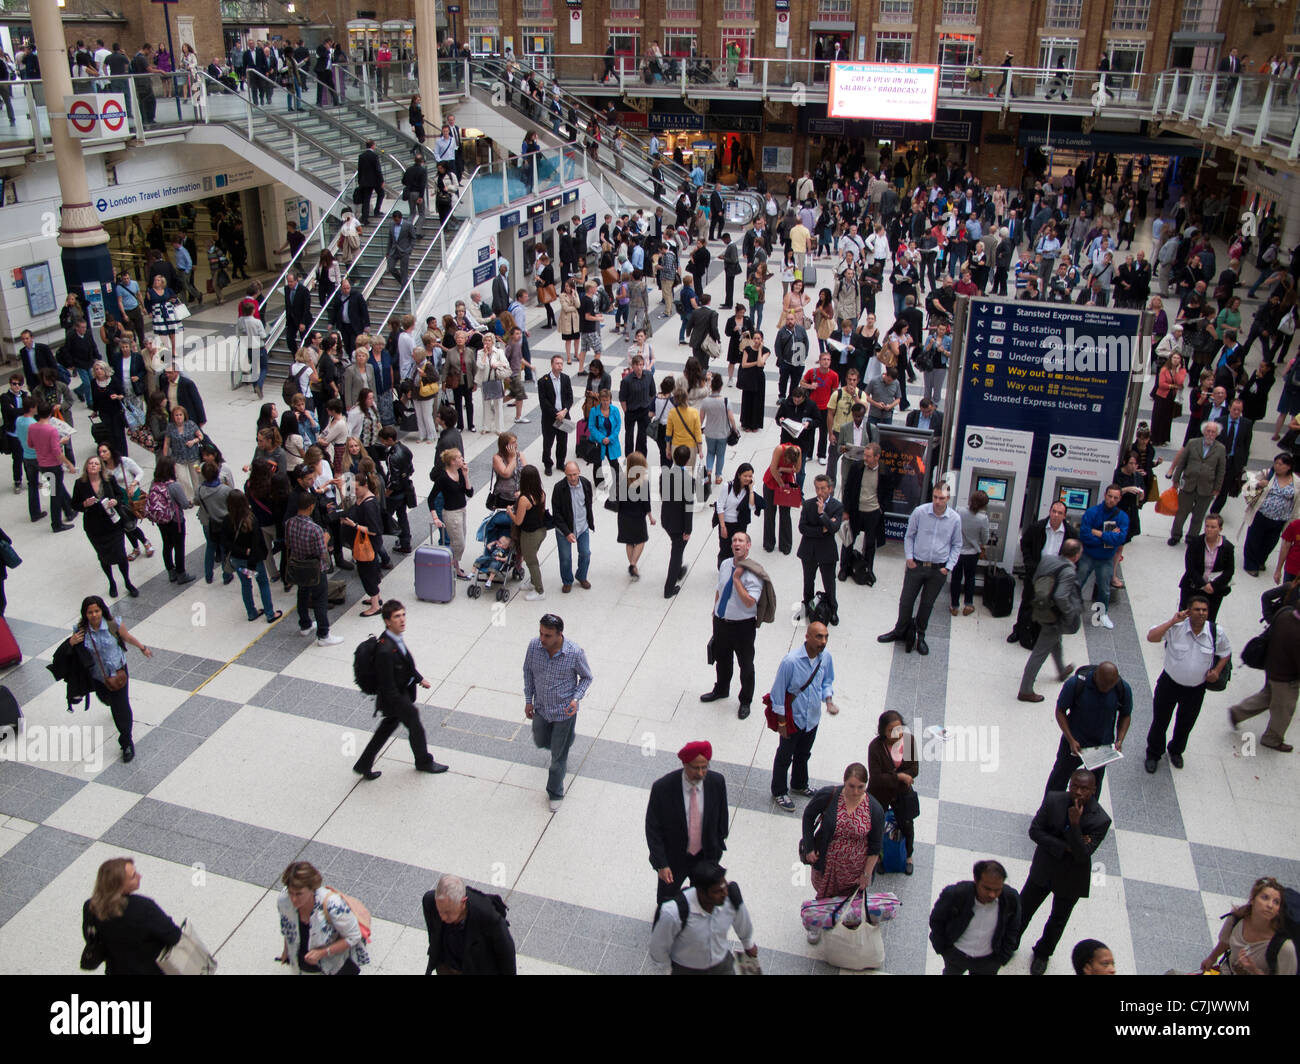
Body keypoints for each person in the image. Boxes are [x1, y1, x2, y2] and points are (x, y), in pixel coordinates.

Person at [1019, 769, 1111, 976]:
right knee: (1024, 908)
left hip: (1072, 876)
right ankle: (1010, 942)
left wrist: (1075, 825)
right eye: (1075, 786)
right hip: (1045, 867)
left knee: (1058, 919)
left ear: (1094, 790)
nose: (1078, 792)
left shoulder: (1101, 820)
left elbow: (1082, 855)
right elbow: (1035, 831)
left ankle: (1043, 953)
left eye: (1084, 788)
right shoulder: (1054, 799)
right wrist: (1066, 846)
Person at [353, 600, 447, 779]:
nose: (402, 620)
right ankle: (423, 761)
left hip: (397, 695)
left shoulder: (394, 639)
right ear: (387, 621)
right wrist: (405, 707)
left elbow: (404, 664)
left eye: (403, 615)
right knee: (416, 726)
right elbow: (387, 684)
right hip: (395, 697)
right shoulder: (385, 651)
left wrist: (419, 678)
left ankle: (363, 764)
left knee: (385, 730)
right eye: (397, 616)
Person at [1143, 597, 1232, 774]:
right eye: (1197, 609)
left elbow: (1225, 653)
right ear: (1188, 611)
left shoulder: (1216, 632)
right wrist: (1172, 621)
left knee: (1186, 723)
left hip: (1196, 689)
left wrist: (1216, 671)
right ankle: (1153, 753)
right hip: (1169, 684)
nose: (1201, 613)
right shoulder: (1176, 628)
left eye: (1204, 610)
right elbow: (1151, 637)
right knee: (1160, 720)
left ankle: (1176, 750)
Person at [800, 764, 884, 940]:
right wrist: (809, 846)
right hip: (827, 863)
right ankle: (817, 922)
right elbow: (808, 815)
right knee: (823, 895)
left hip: (855, 869)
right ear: (844, 782)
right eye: (851, 786)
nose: (855, 791)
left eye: (860, 787)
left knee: (849, 900)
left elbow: (875, 846)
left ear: (866, 785)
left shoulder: (874, 809)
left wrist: (866, 874)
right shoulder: (830, 795)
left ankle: (841, 925)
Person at [878, 484, 964, 656]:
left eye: (942, 498)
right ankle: (899, 630)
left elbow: (957, 544)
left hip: (938, 570)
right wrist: (909, 557)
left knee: (927, 604)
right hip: (916, 565)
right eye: (935, 497)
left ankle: (920, 634)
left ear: (948, 499)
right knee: (906, 601)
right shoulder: (920, 512)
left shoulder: (954, 519)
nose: (937, 502)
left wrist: (948, 567)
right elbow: (909, 535)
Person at [523, 614, 594, 812]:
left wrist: (576, 698)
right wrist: (529, 700)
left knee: (557, 759)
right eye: (540, 633)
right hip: (542, 709)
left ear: (559, 635)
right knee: (540, 740)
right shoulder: (534, 647)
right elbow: (528, 672)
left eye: (547, 635)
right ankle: (565, 741)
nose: (542, 639)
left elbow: (587, 678)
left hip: (564, 711)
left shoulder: (574, 653)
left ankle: (555, 792)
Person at [645, 741, 730, 906]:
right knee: (667, 901)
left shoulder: (717, 782)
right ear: (684, 764)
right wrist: (661, 864)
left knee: (703, 899)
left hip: (706, 855)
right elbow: (653, 829)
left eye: (704, 767)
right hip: (674, 858)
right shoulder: (663, 788)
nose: (700, 772)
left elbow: (722, 815)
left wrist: (718, 844)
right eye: (695, 768)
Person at [69, 595, 152, 762]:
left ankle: (126, 742)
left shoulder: (113, 625)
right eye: (90, 612)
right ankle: (110, 703)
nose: (94, 615)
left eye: (97, 611)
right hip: (98, 676)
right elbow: (75, 651)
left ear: (102, 610)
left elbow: (127, 637)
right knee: (105, 698)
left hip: (118, 673)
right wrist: (71, 642)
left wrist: (142, 648)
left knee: (120, 707)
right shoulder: (80, 630)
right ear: (85, 614)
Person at [769, 622, 838, 812]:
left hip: (812, 718)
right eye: (819, 637)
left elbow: (827, 682)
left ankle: (799, 784)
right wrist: (782, 721)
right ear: (807, 637)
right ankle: (779, 791)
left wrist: (829, 701)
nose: (823, 641)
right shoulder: (790, 661)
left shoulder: (826, 658)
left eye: (825, 637)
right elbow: (778, 692)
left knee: (804, 753)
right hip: (793, 719)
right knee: (784, 756)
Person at [649, 859, 758, 975]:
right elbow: (658, 947)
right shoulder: (673, 912)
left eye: (725, 887)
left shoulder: (730, 898)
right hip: (687, 969)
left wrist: (748, 943)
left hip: (722, 965)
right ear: (701, 892)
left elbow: (741, 919)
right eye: (717, 891)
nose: (724, 894)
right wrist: (668, 970)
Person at [82, 857, 182, 974]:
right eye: (133, 876)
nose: (140, 876)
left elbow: (90, 937)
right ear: (118, 885)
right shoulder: (143, 907)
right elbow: (174, 936)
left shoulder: (91, 906)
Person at [1045, 662, 1132, 794]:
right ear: (1096, 676)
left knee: (1092, 788)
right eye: (1103, 685)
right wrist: (1071, 739)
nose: (1107, 688)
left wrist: (1120, 740)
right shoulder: (1076, 684)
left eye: (1110, 685)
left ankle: (1087, 814)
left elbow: (1126, 715)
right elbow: (1060, 711)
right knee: (1058, 780)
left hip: (1101, 748)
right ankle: (1049, 811)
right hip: (1074, 745)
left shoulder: (1122, 688)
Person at [1228, 597, 1300, 753]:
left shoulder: (1284, 614)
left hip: (1272, 667)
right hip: (1286, 678)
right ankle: (1272, 739)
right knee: (1284, 709)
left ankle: (1237, 712)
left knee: (1266, 697)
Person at [929, 860, 1023, 975]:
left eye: (997, 890)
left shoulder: (1010, 899)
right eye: (987, 889)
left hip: (988, 960)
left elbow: (1013, 928)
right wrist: (941, 947)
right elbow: (937, 920)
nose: (992, 895)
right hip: (955, 954)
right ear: (976, 880)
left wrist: (1002, 957)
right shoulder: (955, 894)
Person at [1017, 539, 1084, 702]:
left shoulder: (1047, 559)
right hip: (1054, 617)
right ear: (1075, 556)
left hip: (1041, 609)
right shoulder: (1069, 572)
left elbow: (1035, 580)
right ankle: (1025, 690)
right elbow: (1060, 596)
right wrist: (1069, 614)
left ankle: (1061, 671)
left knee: (1055, 640)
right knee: (1040, 653)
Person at [276, 861, 369, 974]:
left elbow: (354, 936)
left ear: (312, 889)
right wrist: (286, 951)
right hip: (302, 967)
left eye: (299, 894)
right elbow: (287, 928)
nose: (294, 899)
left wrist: (323, 952)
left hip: (331, 967)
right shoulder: (284, 900)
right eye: (291, 893)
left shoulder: (333, 905)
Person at [1009, 501, 1079, 646]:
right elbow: (1025, 543)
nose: (1055, 515)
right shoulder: (1037, 527)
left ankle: (1043, 634)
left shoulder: (1071, 533)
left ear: (1064, 516)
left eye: (1059, 513)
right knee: (1027, 602)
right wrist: (1029, 563)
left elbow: (1075, 554)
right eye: (1053, 511)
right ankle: (1019, 630)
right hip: (1036, 573)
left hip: (1056, 576)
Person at [422, 873, 517, 975]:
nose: (443, 917)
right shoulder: (430, 902)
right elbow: (433, 936)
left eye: (448, 912)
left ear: (462, 903)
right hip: (448, 966)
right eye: (440, 911)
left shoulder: (488, 917)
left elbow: (507, 955)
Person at [1202, 876, 1298, 975]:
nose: (1270, 905)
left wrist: (1254, 970)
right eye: (1265, 898)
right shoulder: (1237, 917)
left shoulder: (1285, 947)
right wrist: (1211, 958)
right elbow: (1225, 942)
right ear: (1252, 900)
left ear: (1279, 910)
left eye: (1276, 902)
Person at [72, 454, 138, 598]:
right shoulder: (80, 484)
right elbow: (74, 504)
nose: (93, 466)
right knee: (103, 556)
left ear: (101, 466)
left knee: (121, 555)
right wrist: (84, 504)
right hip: (95, 527)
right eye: (90, 463)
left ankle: (127, 581)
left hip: (113, 524)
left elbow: (120, 496)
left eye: (96, 463)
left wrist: (115, 501)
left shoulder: (108, 480)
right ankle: (111, 582)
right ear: (86, 467)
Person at [867, 711, 920, 875]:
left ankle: (909, 855)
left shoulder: (909, 741)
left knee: (906, 824)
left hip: (902, 793)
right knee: (876, 825)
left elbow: (914, 769)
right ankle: (879, 856)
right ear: (882, 731)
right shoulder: (875, 747)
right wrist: (900, 776)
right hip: (880, 794)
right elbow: (875, 778)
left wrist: (895, 777)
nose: (896, 734)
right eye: (891, 730)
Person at [285, 488, 340, 646]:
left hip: (298, 565)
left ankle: (305, 625)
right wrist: (326, 539)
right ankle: (323, 634)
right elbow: (322, 554)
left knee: (302, 594)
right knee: (320, 600)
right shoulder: (315, 529)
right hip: (315, 568)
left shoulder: (289, 523)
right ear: (310, 507)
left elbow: (288, 544)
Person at [1075, 484, 1128, 629]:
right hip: (1088, 555)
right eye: (1110, 496)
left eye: (1115, 498)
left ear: (1119, 499)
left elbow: (1119, 540)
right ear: (1105, 495)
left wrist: (1098, 533)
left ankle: (1101, 614)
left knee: (1104, 589)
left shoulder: (1122, 517)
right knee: (1077, 583)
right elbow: (1085, 535)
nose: (1111, 500)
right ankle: (1070, 610)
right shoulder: (1092, 512)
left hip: (1106, 559)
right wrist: (1108, 537)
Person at [1167, 420, 1227, 545]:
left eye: (1213, 432)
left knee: (1198, 517)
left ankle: (1192, 537)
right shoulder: (1192, 443)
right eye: (1208, 431)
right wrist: (1176, 479)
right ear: (1204, 431)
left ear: (1217, 434)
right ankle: (1176, 535)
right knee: (1181, 514)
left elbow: (1221, 470)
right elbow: (1182, 462)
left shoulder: (1221, 449)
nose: (1210, 434)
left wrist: (1217, 487)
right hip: (1188, 484)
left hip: (1207, 488)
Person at [1241, 453, 1299, 577]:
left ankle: (1260, 560)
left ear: (1288, 466)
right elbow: (1248, 485)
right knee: (1254, 539)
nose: (1277, 466)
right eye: (1276, 463)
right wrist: (1258, 484)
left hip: (1280, 519)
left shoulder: (1296, 481)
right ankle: (1250, 564)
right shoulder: (1267, 474)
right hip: (1261, 514)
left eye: (1281, 464)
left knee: (1270, 542)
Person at [797, 473, 844, 623]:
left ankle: (832, 609)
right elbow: (802, 528)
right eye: (817, 488)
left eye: (823, 488)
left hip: (827, 551)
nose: (819, 492)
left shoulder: (837, 506)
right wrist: (820, 531)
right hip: (809, 549)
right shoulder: (808, 504)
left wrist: (822, 514)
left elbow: (834, 528)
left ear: (830, 489)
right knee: (808, 581)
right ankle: (807, 608)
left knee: (829, 582)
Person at [1179, 513, 1234, 621]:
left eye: (1213, 527)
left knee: (1209, 618)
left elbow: (1229, 570)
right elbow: (1190, 567)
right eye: (1207, 526)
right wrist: (1203, 585)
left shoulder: (1227, 547)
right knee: (1185, 616)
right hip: (1194, 586)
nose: (1209, 529)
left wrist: (1213, 586)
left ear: (1220, 529)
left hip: (1215, 590)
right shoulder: (1195, 543)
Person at [551, 460, 594, 593]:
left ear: (579, 472)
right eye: (569, 475)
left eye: (575, 474)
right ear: (565, 474)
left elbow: (588, 504)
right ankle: (567, 581)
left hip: (582, 526)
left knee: (585, 553)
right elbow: (556, 514)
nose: (573, 478)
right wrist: (567, 532)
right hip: (564, 530)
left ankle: (581, 576)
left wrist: (589, 522)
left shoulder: (586, 484)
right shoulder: (559, 488)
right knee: (565, 558)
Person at [661, 443, 696, 598]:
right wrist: (688, 529)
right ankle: (669, 588)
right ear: (688, 460)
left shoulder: (665, 474)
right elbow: (688, 506)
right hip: (679, 524)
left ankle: (678, 570)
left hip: (667, 519)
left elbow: (663, 495)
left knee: (677, 548)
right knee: (676, 552)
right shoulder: (689, 480)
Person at [950, 489, 990, 617]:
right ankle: (968, 604)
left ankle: (954, 606)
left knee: (956, 578)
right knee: (970, 578)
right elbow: (985, 539)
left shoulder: (959, 511)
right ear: (984, 505)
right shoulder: (983, 518)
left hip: (957, 551)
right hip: (972, 553)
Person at [537, 354, 574, 476]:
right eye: (557, 363)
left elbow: (570, 397)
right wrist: (555, 413)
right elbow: (544, 402)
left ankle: (560, 462)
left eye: (561, 363)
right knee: (548, 442)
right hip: (549, 418)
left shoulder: (566, 379)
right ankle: (548, 464)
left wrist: (564, 411)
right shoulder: (543, 381)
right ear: (552, 365)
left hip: (563, 416)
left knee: (562, 441)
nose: (560, 366)